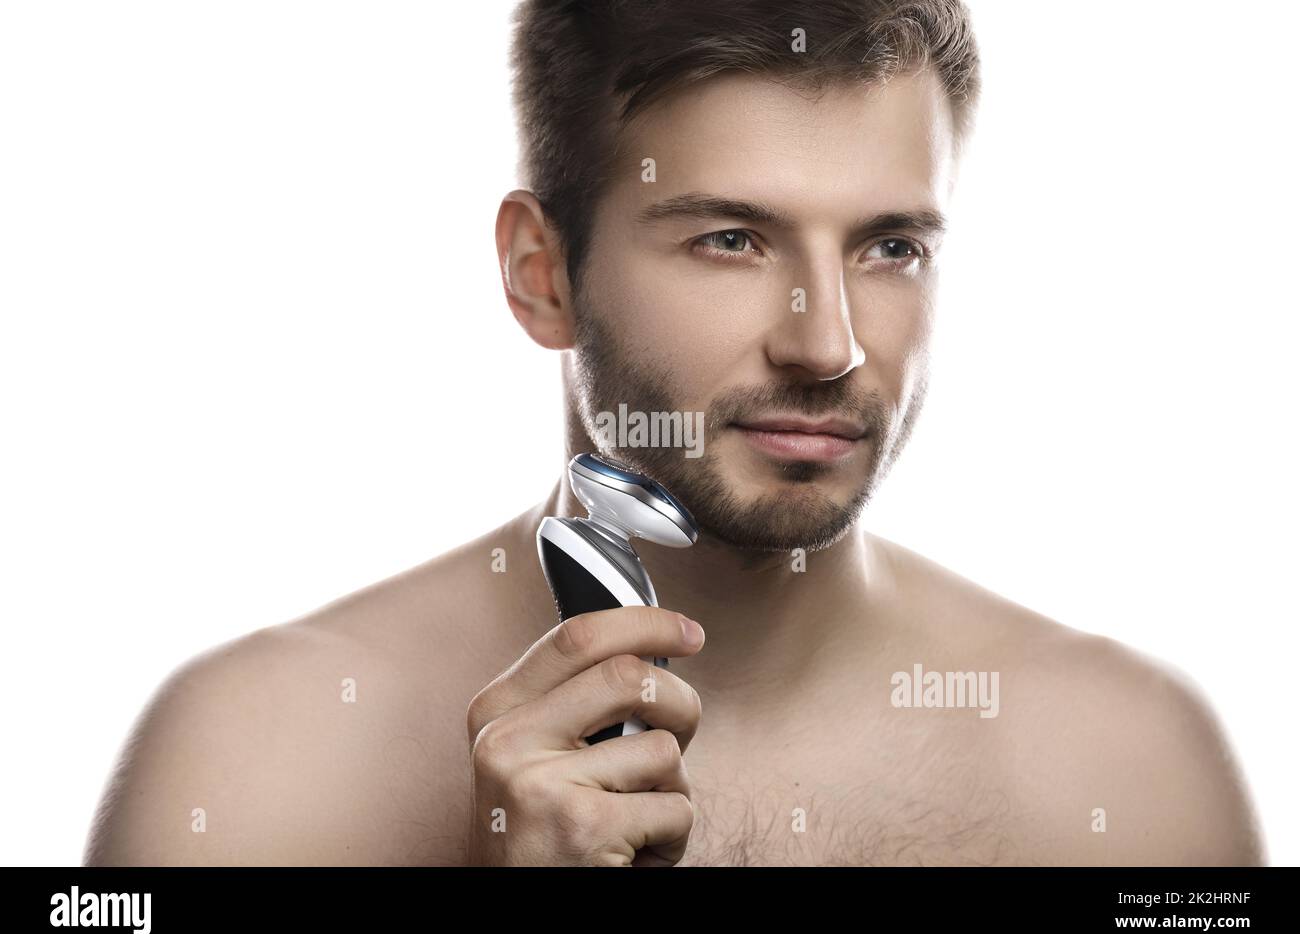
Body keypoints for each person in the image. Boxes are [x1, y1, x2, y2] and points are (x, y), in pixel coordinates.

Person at [84, 0, 1265, 866]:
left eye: (887, 245)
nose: (827, 344)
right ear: (541, 273)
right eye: (730, 240)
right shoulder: (248, 767)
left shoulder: (1130, 768)